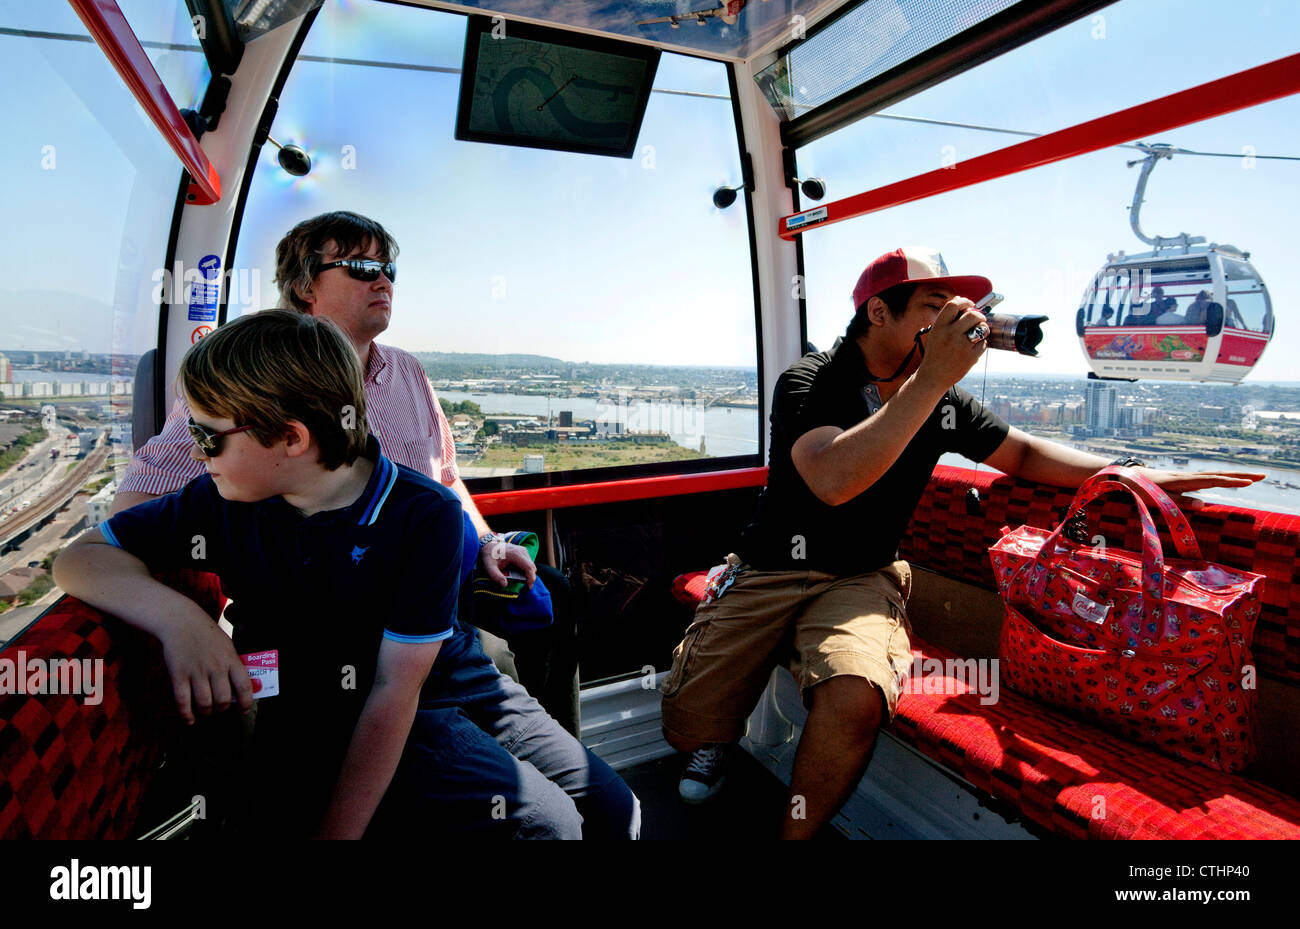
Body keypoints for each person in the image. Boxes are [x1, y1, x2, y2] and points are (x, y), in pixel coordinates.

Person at [659, 246, 1264, 839]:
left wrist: (1135, 474)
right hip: (771, 567)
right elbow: (833, 480)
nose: (955, 319)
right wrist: (930, 380)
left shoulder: (941, 398)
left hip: (860, 577)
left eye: (959, 307)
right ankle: (715, 737)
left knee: (855, 698)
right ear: (878, 313)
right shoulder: (813, 381)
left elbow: (1022, 452)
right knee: (687, 727)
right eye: (934, 304)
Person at [55, 311, 638, 839]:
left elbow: (396, 689)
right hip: (326, 705)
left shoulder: (424, 514)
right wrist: (182, 620)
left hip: (440, 684)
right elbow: (78, 558)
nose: (197, 452)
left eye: (207, 436)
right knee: (549, 826)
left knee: (619, 812)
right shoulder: (219, 503)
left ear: (291, 437)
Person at [112, 211, 579, 734]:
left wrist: (490, 539)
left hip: (431, 572)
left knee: (550, 592)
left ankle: (552, 761)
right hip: (345, 605)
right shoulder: (253, 386)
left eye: (388, 268)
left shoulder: (406, 372)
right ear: (304, 286)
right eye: (359, 266)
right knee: (478, 664)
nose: (382, 279)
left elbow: (446, 477)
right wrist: (187, 619)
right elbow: (133, 508)